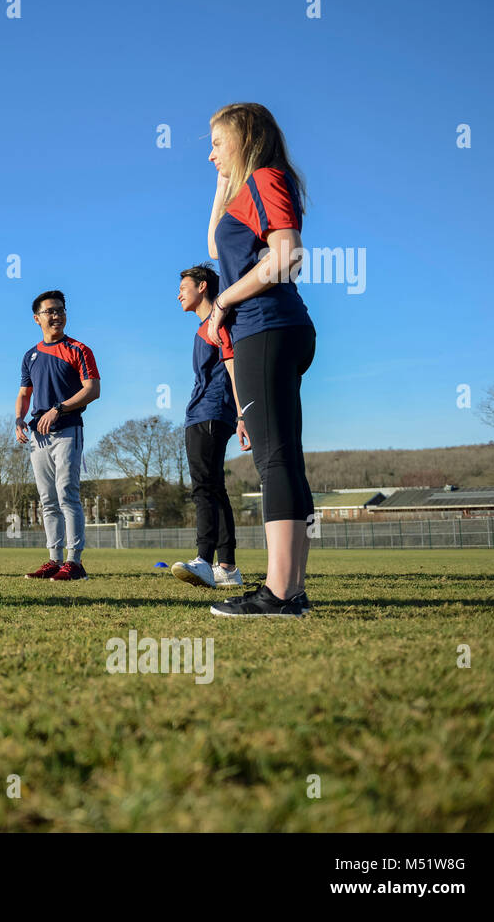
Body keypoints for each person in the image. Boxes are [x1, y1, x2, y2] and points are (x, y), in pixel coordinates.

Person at [204, 103, 316, 617]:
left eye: (217, 143)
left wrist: (224, 302)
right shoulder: (249, 190)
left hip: (267, 329)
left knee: (274, 461)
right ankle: (291, 590)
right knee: (283, 456)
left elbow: (287, 254)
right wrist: (226, 176)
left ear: (246, 140)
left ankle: (279, 593)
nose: (210, 155)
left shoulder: (268, 178)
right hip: (269, 332)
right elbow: (216, 244)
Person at [170, 262, 246, 589]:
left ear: (202, 287)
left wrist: (243, 415)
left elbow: (233, 368)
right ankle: (226, 567)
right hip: (200, 413)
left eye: (183, 288)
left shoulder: (218, 323)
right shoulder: (202, 328)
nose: (178, 296)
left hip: (213, 413)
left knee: (204, 487)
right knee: (214, 487)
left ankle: (204, 559)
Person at [16, 291, 100, 581]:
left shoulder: (79, 349)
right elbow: (24, 394)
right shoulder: (31, 355)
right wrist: (18, 419)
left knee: (67, 495)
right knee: (47, 500)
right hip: (38, 437)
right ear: (36, 318)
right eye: (50, 311)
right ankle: (54, 560)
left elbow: (92, 389)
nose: (57, 316)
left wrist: (58, 408)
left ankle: (74, 563)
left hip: (68, 430)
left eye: (61, 310)